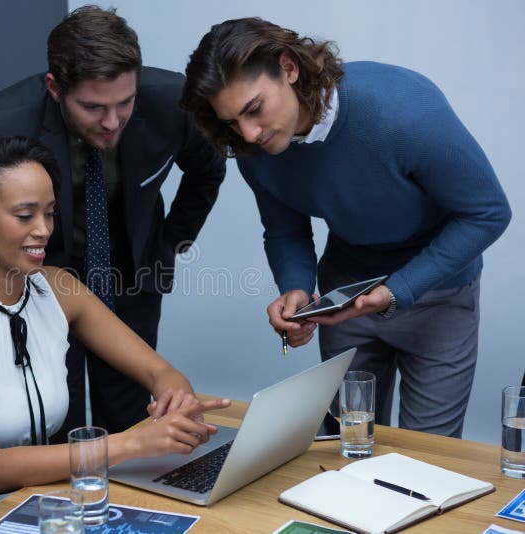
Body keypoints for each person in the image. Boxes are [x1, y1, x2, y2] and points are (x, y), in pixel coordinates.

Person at [180, 18, 511, 438]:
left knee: (429, 459)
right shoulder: (252, 147)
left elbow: (487, 213)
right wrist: (297, 288)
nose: (248, 133)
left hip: (438, 294)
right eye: (231, 122)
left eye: (254, 109)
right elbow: (285, 230)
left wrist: (400, 289)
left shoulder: (405, 109)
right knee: (347, 444)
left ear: (289, 68)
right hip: (347, 295)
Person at [0, 5, 226, 436]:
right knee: (59, 414)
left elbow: (208, 169)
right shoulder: (5, 120)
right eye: (94, 108)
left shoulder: (174, 102)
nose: (113, 122)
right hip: (44, 281)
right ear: (55, 89)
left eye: (125, 102)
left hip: (130, 277)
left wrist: (168, 246)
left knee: (133, 413)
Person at [0, 136, 229, 524]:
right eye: (25, 215)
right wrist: (133, 443)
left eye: (50, 213)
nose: (44, 229)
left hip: (47, 512)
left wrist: (175, 404)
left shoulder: (59, 288)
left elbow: (159, 372)